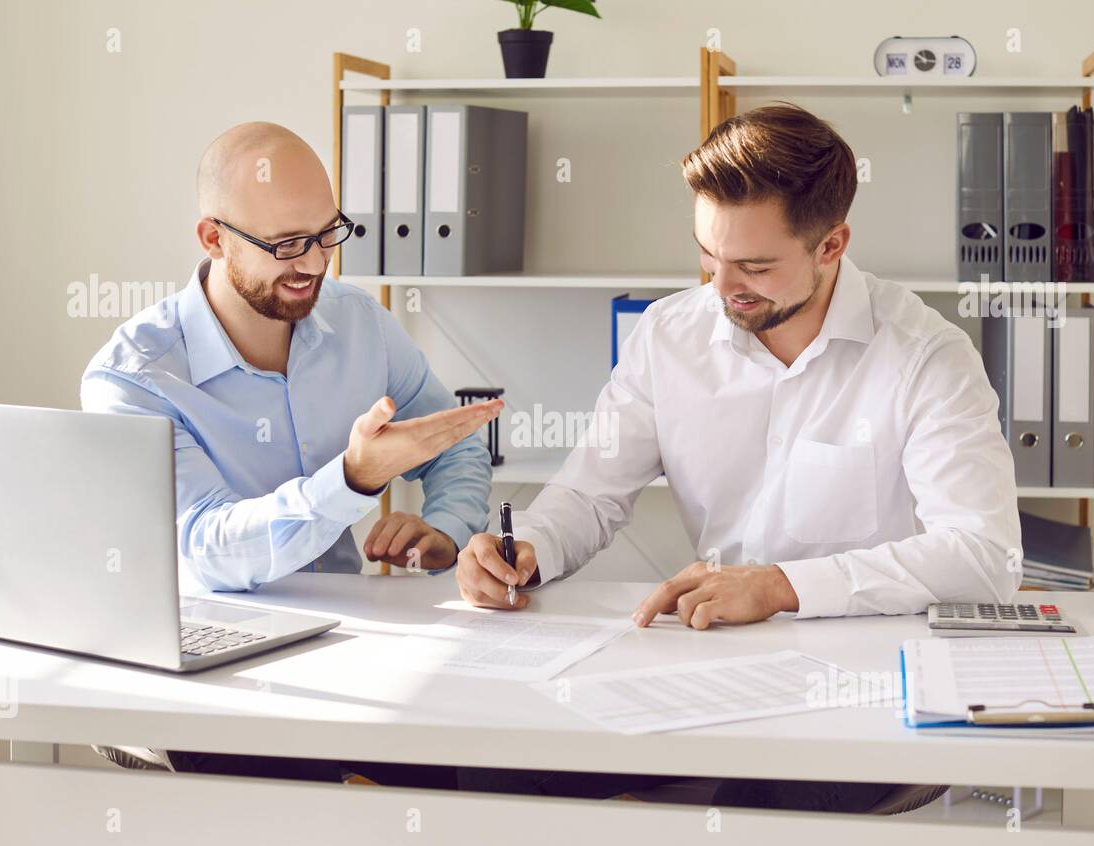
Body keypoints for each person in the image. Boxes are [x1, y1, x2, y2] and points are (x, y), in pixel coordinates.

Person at [453, 103, 1020, 810]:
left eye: (753, 266)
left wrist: (781, 585)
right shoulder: (668, 335)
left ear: (832, 244)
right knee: (499, 759)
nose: (721, 289)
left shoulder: (925, 356)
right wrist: (528, 546)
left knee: (763, 800)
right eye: (707, 256)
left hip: (863, 689)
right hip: (705, 670)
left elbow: (983, 556)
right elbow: (590, 494)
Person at [81, 122, 500, 786]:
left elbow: (455, 445)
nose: (311, 262)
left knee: (476, 763)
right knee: (289, 791)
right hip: (205, 664)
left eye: (327, 233)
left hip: (344, 642)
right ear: (213, 238)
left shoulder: (361, 325)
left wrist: (445, 531)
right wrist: (354, 480)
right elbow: (206, 547)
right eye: (283, 244)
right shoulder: (134, 378)